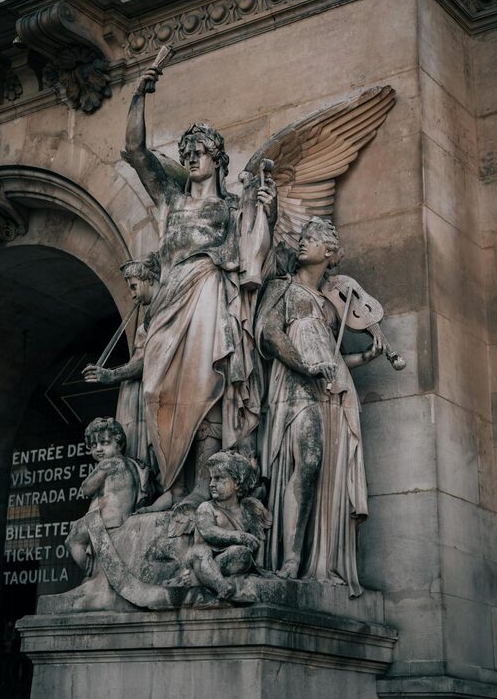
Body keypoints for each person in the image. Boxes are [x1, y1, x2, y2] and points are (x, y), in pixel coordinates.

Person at [122, 66, 276, 509]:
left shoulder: (232, 208)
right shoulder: (171, 201)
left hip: (210, 294)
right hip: (170, 302)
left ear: (218, 159)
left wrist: (268, 211)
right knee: (156, 392)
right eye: (186, 151)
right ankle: (168, 483)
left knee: (206, 384)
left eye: (200, 151)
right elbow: (135, 150)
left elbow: (260, 258)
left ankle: (193, 489)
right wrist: (138, 93)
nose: (191, 158)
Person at [255, 217, 383, 595]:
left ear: (328, 252)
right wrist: (305, 365)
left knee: (327, 471)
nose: (302, 243)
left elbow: (335, 358)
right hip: (294, 385)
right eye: (303, 237)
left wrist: (366, 358)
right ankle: (291, 558)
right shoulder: (283, 288)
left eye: (311, 239)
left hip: (332, 390)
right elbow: (270, 332)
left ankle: (318, 559)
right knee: (307, 462)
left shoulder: (330, 307)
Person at [83, 253, 160, 469]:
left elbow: (148, 359)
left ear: (149, 280)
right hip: (134, 389)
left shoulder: (161, 313)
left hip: (146, 387)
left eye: (134, 287)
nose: (133, 295)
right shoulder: (149, 316)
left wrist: (111, 375)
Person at [66, 417, 150, 575]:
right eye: (93, 445)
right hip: (126, 519)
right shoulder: (135, 465)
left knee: (72, 540)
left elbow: (86, 488)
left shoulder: (108, 463)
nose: (98, 449)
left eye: (104, 443)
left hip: (107, 521)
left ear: (119, 443)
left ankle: (92, 574)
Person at [187, 451, 271, 600]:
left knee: (242, 553)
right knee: (200, 552)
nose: (212, 484)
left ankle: (205, 577)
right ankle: (222, 586)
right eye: (211, 478)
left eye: (219, 478)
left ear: (237, 482)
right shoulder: (206, 507)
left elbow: (258, 541)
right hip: (202, 557)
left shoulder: (246, 511)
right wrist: (240, 536)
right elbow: (208, 531)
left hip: (221, 561)